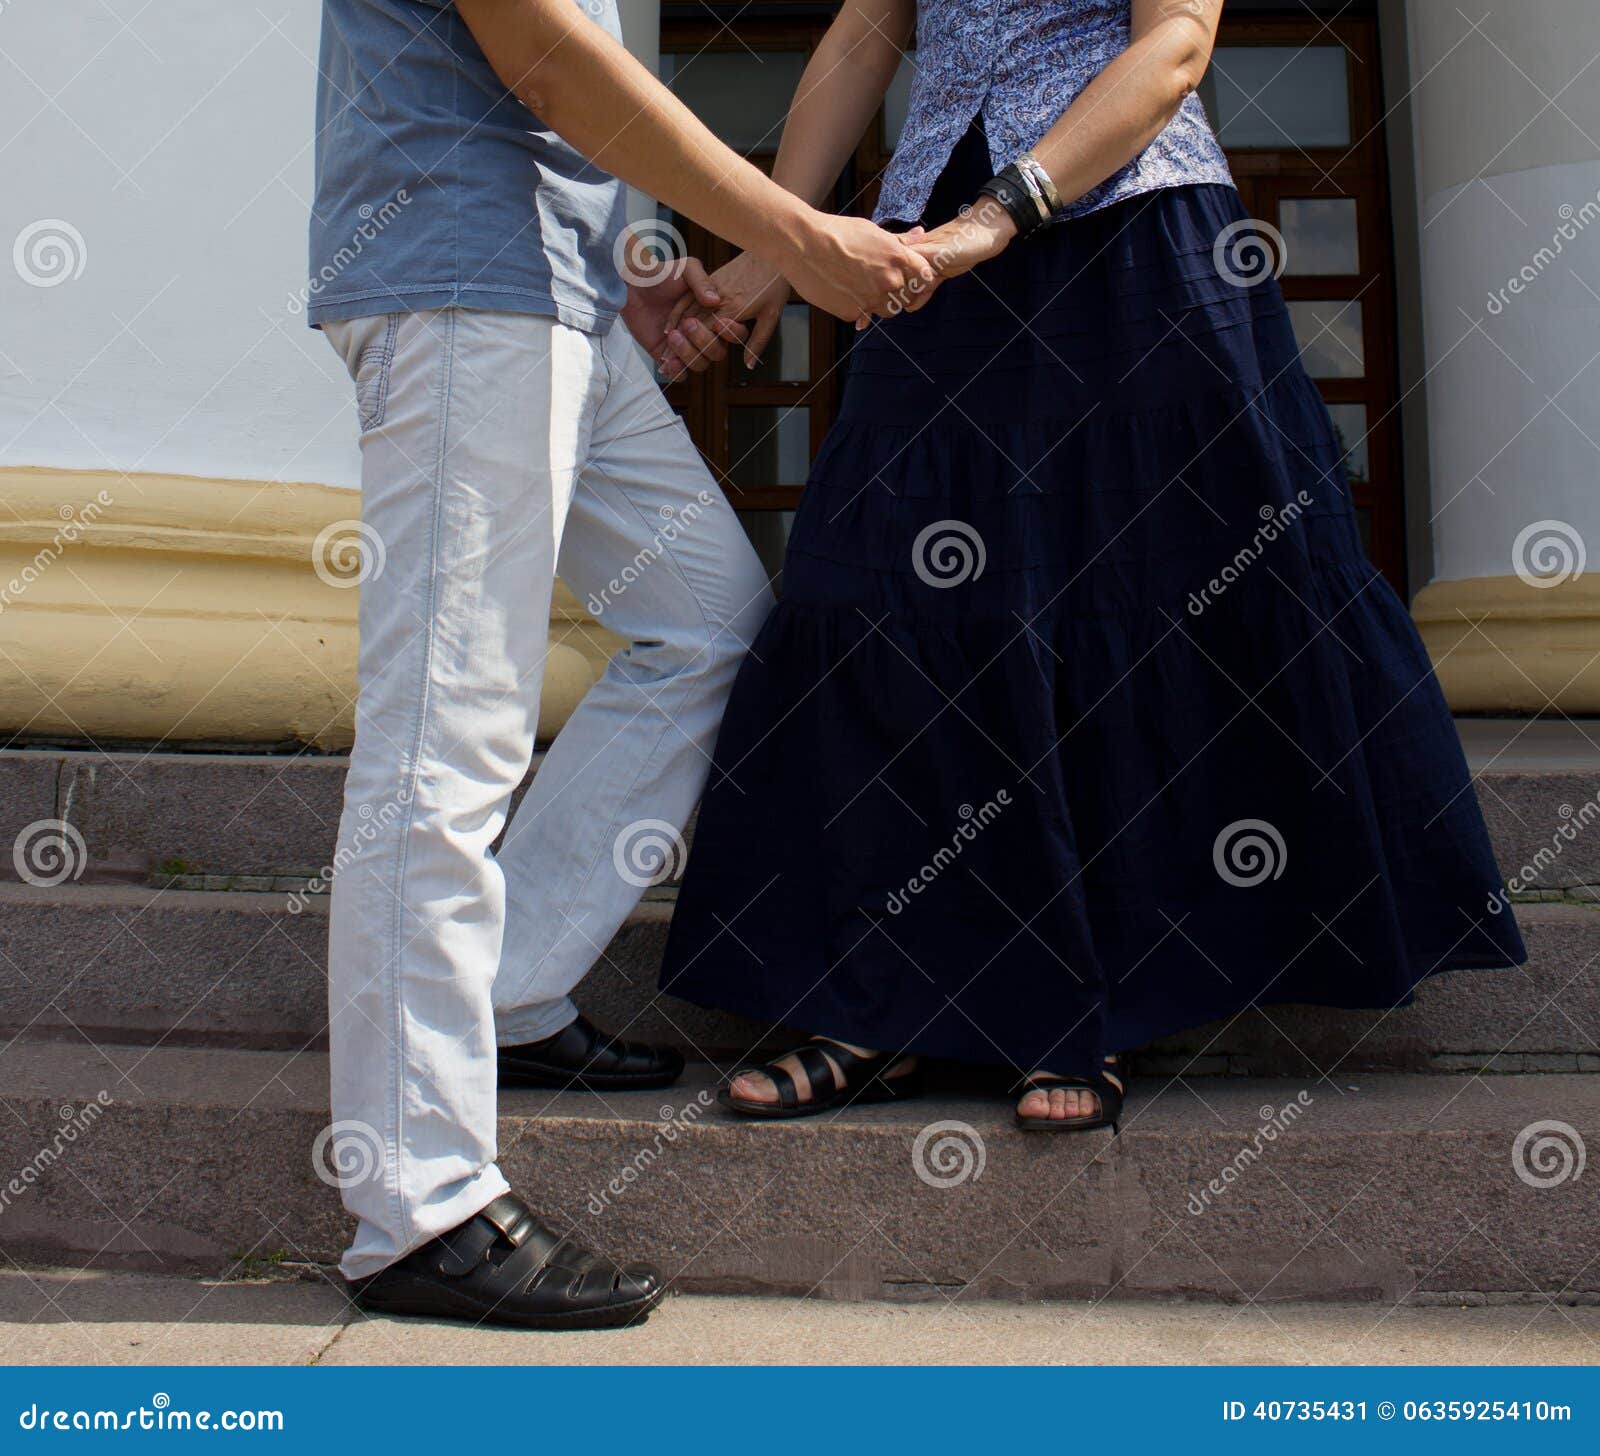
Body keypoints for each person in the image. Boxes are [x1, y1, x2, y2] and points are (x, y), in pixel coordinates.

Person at [659, 0, 1527, 1130]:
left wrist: (995, 216)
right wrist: (774, 249)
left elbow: (1172, 46)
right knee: (876, 592)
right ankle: (876, 997)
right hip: (930, 247)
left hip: (1131, 231)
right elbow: (865, 35)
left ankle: (1097, 1000)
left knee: (1130, 600)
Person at [309, 0, 935, 1330]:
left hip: (559, 298)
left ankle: (514, 984)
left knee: (709, 619)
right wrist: (795, 232)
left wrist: (637, 246)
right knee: (448, 731)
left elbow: (546, 103)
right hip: (461, 282)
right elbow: (541, 51)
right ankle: (416, 1203)